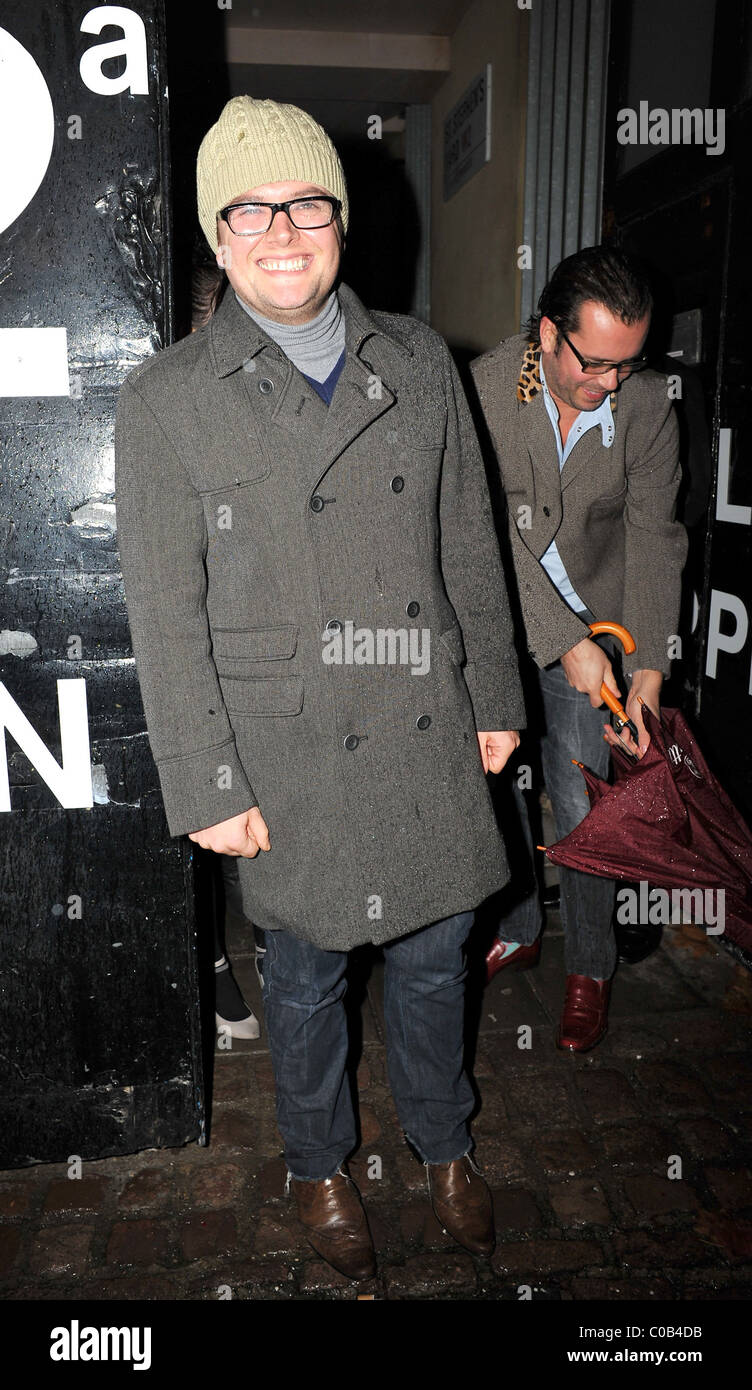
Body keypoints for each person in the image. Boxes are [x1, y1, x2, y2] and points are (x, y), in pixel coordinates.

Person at [115, 96, 525, 1280]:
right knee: (301, 979)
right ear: (217, 232)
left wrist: (493, 694)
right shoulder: (167, 396)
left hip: (422, 718)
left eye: (304, 203)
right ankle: (317, 1166)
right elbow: (164, 609)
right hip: (288, 743)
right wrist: (202, 779)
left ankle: (444, 1144)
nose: (280, 231)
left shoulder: (420, 360)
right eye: (249, 209)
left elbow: (466, 550)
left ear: (339, 220)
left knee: (441, 955)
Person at [470, 246, 688, 1053]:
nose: (610, 384)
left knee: (583, 792)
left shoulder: (647, 403)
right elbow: (482, 531)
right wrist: (564, 641)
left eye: (626, 366)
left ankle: (591, 964)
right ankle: (519, 927)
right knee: (499, 783)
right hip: (499, 613)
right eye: (594, 364)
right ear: (546, 334)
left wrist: (648, 672)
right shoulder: (487, 388)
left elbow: (655, 537)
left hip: (602, 619)